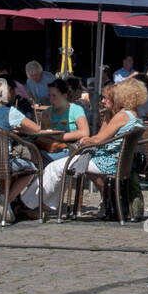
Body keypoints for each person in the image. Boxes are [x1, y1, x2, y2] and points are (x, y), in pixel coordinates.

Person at [18, 81, 95, 216]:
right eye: (49, 96)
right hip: (49, 150)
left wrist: (61, 137)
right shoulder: (48, 112)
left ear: (64, 95)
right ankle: (37, 203)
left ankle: (26, 203)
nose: (51, 99)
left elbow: (84, 132)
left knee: (42, 164)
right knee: (27, 160)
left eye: (54, 96)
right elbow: (43, 133)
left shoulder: (76, 110)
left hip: (70, 150)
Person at [0, 78, 42, 221]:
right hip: (3, 162)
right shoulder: (11, 112)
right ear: (7, 95)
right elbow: (36, 128)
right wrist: (18, 127)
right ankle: (5, 199)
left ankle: (2, 203)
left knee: (11, 166)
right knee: (31, 168)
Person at [79, 78, 148, 206]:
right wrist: (107, 116)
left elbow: (99, 139)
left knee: (79, 161)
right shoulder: (136, 114)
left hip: (115, 160)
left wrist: (85, 140)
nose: (103, 101)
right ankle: (107, 199)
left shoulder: (123, 115)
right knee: (84, 159)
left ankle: (107, 199)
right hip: (128, 159)